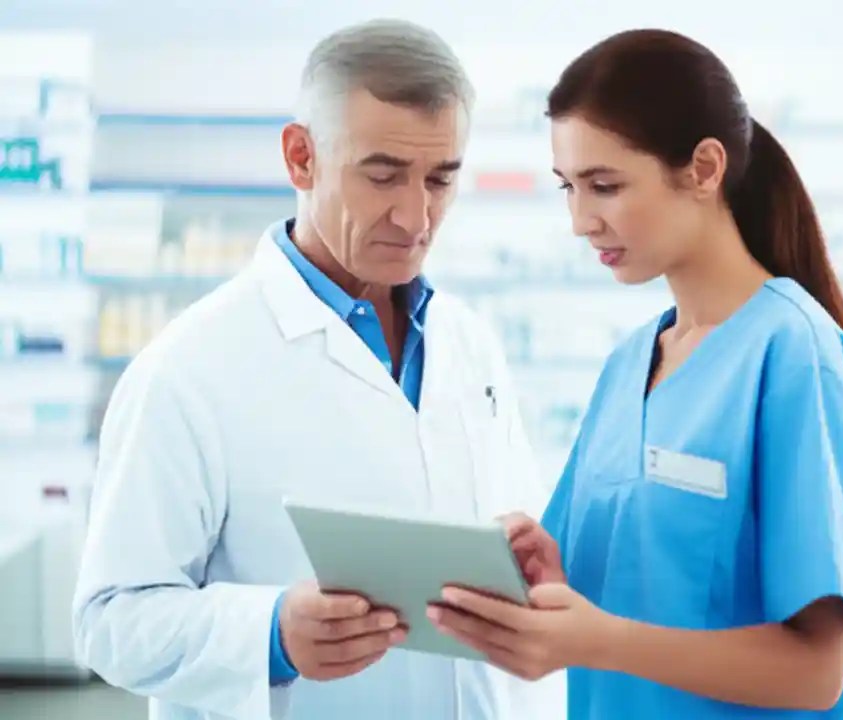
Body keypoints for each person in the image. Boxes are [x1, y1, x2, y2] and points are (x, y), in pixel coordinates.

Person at [71, 20, 553, 720]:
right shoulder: (186, 370)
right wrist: (270, 633)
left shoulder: (468, 344)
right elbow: (109, 621)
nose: (416, 216)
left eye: (441, 179)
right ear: (301, 158)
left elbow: (512, 531)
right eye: (383, 174)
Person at [429, 28, 843, 720]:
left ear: (703, 169)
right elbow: (626, 587)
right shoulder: (630, 364)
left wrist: (605, 641)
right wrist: (549, 572)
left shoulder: (793, 354)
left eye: (605, 186)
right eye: (569, 189)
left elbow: (818, 671)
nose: (582, 221)